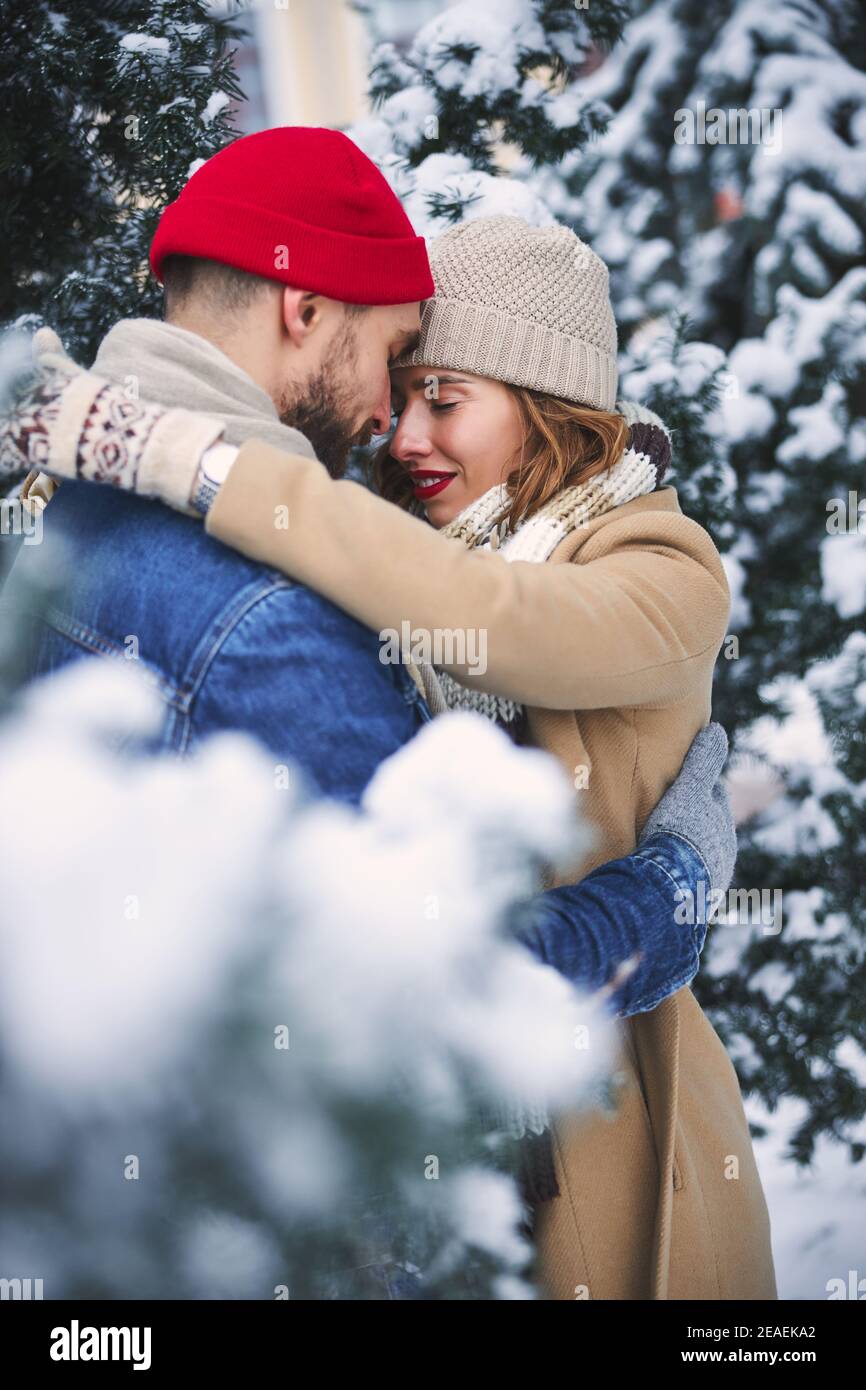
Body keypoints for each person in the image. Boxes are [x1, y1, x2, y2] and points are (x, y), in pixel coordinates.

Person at [0, 127, 776, 1299]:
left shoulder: (659, 566)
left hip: (624, 1123)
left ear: (543, 403)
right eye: (398, 377)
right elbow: (454, 984)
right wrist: (670, 890)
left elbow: (500, 613)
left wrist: (181, 451)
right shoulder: (305, 605)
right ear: (306, 312)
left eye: (441, 393)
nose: (394, 428)